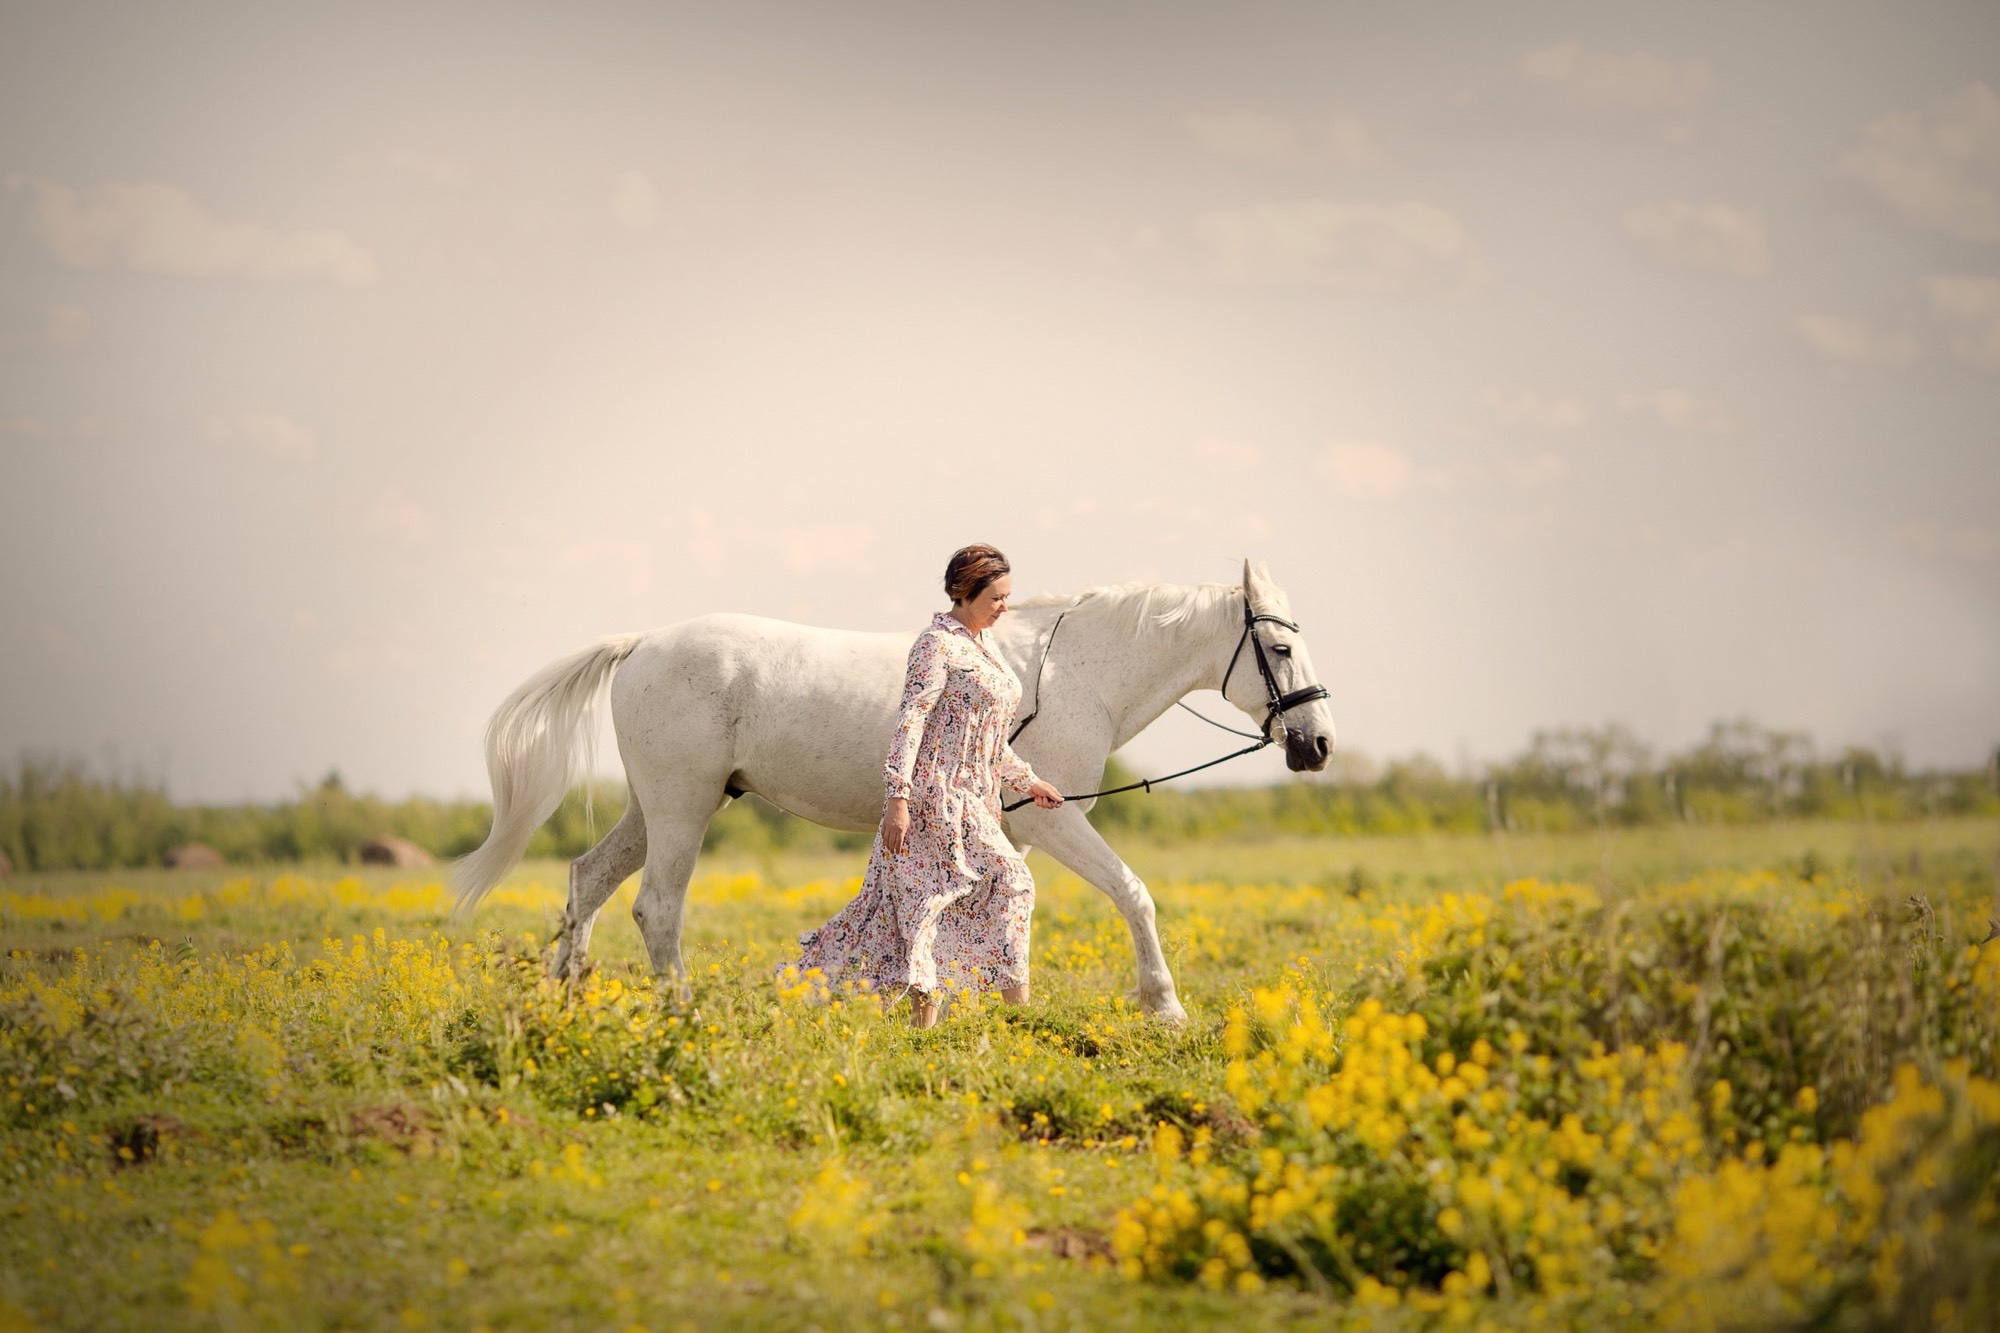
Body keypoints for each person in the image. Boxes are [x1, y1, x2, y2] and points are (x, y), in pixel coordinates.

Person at [783, 544, 1064, 1027]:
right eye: (996, 598)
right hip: (936, 795)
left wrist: (1029, 780)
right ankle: (1016, 1015)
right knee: (1001, 883)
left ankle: (926, 1024)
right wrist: (898, 799)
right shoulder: (936, 644)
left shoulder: (984, 645)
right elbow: (911, 721)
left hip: (977, 795)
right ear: (965, 592)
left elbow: (990, 737)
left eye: (1007, 596)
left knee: (947, 898)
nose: (1004, 607)